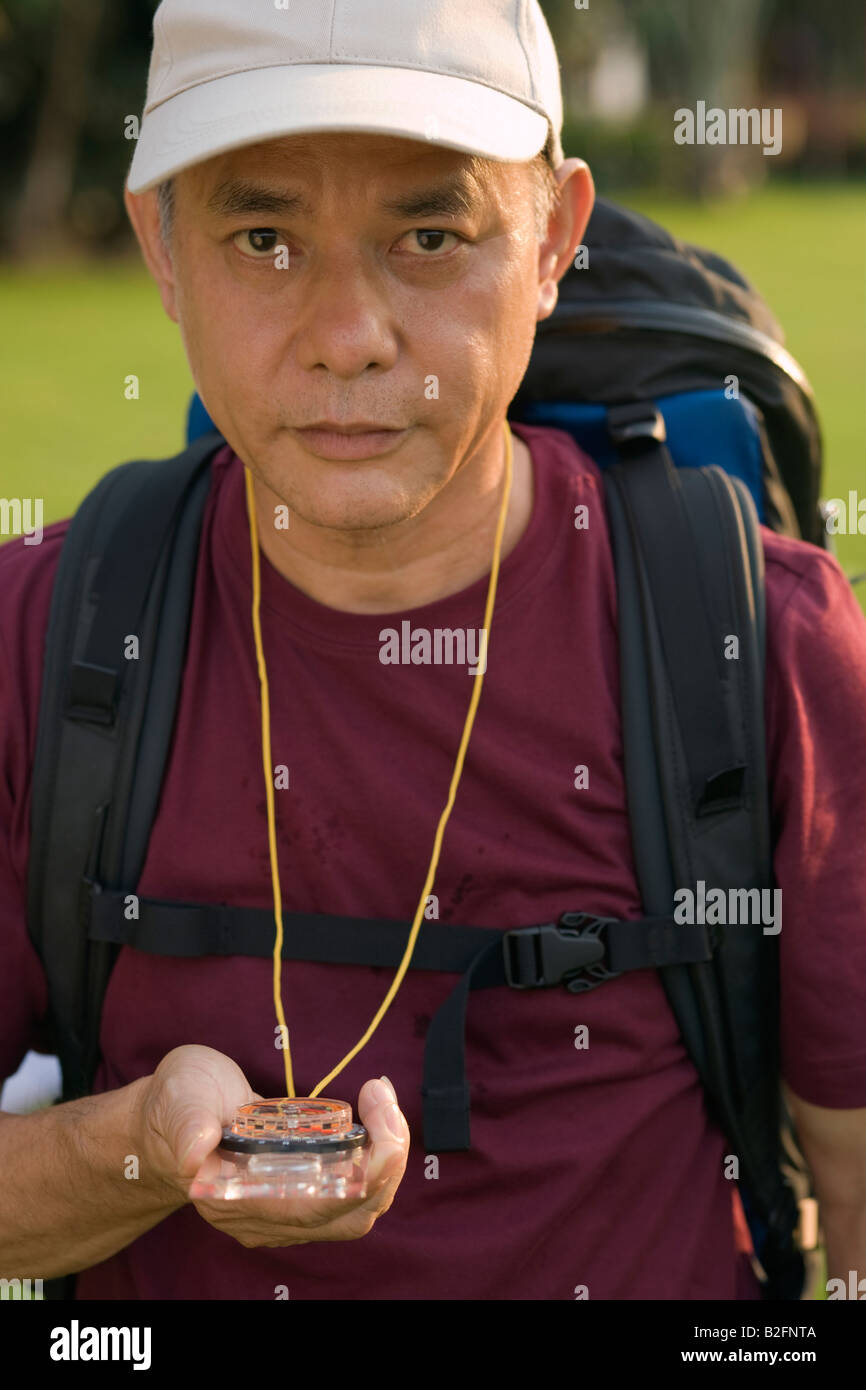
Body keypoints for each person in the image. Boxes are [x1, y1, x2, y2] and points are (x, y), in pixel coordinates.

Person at [1, 0, 865, 1302]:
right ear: (161, 248)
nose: (348, 334)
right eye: (263, 237)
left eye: (428, 234)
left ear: (552, 241)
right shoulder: (42, 630)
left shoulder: (761, 637)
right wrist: (134, 1146)